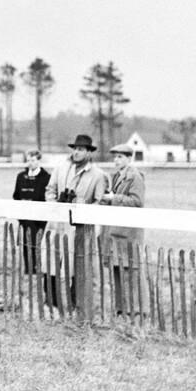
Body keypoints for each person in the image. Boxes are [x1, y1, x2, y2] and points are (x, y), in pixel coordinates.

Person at [42, 134, 109, 310]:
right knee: (51, 259)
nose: (77, 153)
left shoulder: (98, 175)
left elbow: (100, 201)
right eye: (75, 149)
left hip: (79, 227)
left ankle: (75, 301)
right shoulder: (61, 168)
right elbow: (50, 190)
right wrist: (55, 204)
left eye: (81, 149)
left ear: (89, 152)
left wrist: (83, 208)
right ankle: (51, 299)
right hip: (57, 222)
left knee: (76, 263)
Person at [98, 143, 146, 315]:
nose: (116, 160)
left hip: (128, 232)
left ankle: (137, 310)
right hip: (116, 231)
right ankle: (121, 309)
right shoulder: (116, 176)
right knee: (117, 269)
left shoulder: (135, 177)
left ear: (128, 158)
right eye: (115, 157)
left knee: (130, 272)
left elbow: (137, 201)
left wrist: (113, 198)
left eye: (120, 157)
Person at [11, 149, 50, 273]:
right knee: (27, 241)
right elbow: (16, 195)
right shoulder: (21, 176)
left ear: (39, 161)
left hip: (40, 216)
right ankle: (29, 267)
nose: (30, 163)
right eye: (28, 160)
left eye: (33, 160)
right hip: (25, 215)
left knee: (40, 242)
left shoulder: (46, 177)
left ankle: (40, 266)